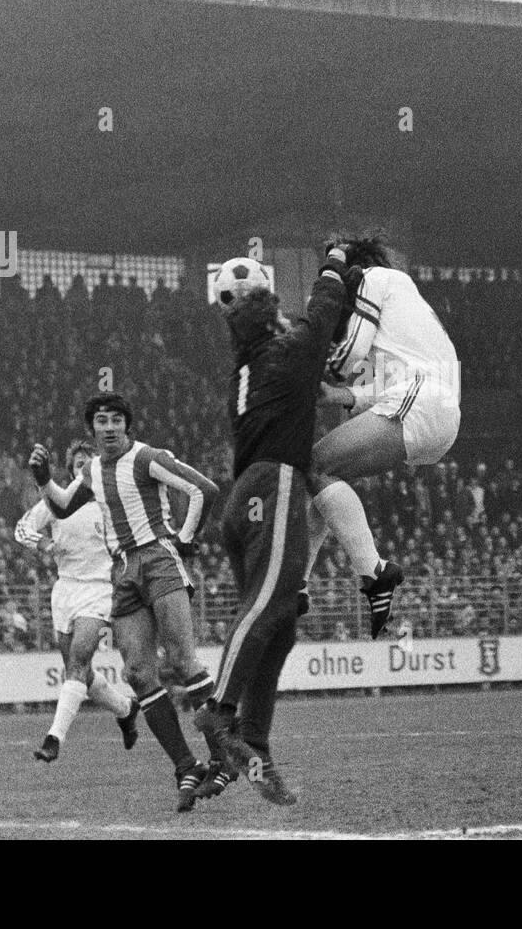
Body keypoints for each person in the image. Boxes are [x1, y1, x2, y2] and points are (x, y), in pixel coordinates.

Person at [193, 254, 350, 805]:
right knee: (265, 605)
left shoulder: (246, 365)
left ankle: (254, 749)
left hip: (242, 499)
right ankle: (219, 712)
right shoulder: (287, 352)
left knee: (279, 622)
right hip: (273, 486)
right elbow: (323, 315)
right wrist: (334, 265)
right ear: (268, 308)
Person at [28, 392, 220, 812]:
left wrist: (185, 539)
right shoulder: (94, 470)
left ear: (127, 426)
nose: (110, 427)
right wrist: (43, 480)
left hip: (158, 558)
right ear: (91, 430)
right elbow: (60, 508)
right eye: (101, 420)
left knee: (183, 662)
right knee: (136, 672)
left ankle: (224, 756)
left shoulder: (146, 457)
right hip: (122, 571)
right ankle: (186, 765)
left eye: (116, 419)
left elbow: (204, 489)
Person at [304, 229, 462, 638]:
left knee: (315, 465)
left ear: (354, 269)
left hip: (423, 399)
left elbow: (351, 354)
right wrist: (337, 394)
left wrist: (301, 361)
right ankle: (299, 584)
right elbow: (380, 385)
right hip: (433, 412)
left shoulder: (375, 279)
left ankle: (374, 573)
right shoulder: (402, 303)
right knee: (323, 477)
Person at [14, 438, 139, 762]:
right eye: (77, 462)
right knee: (78, 670)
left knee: (79, 661)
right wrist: (43, 545)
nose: (82, 466)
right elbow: (22, 529)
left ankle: (54, 738)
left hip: (99, 589)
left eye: (88, 461)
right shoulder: (56, 502)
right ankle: (125, 709)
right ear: (70, 469)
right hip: (65, 590)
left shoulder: (107, 502)